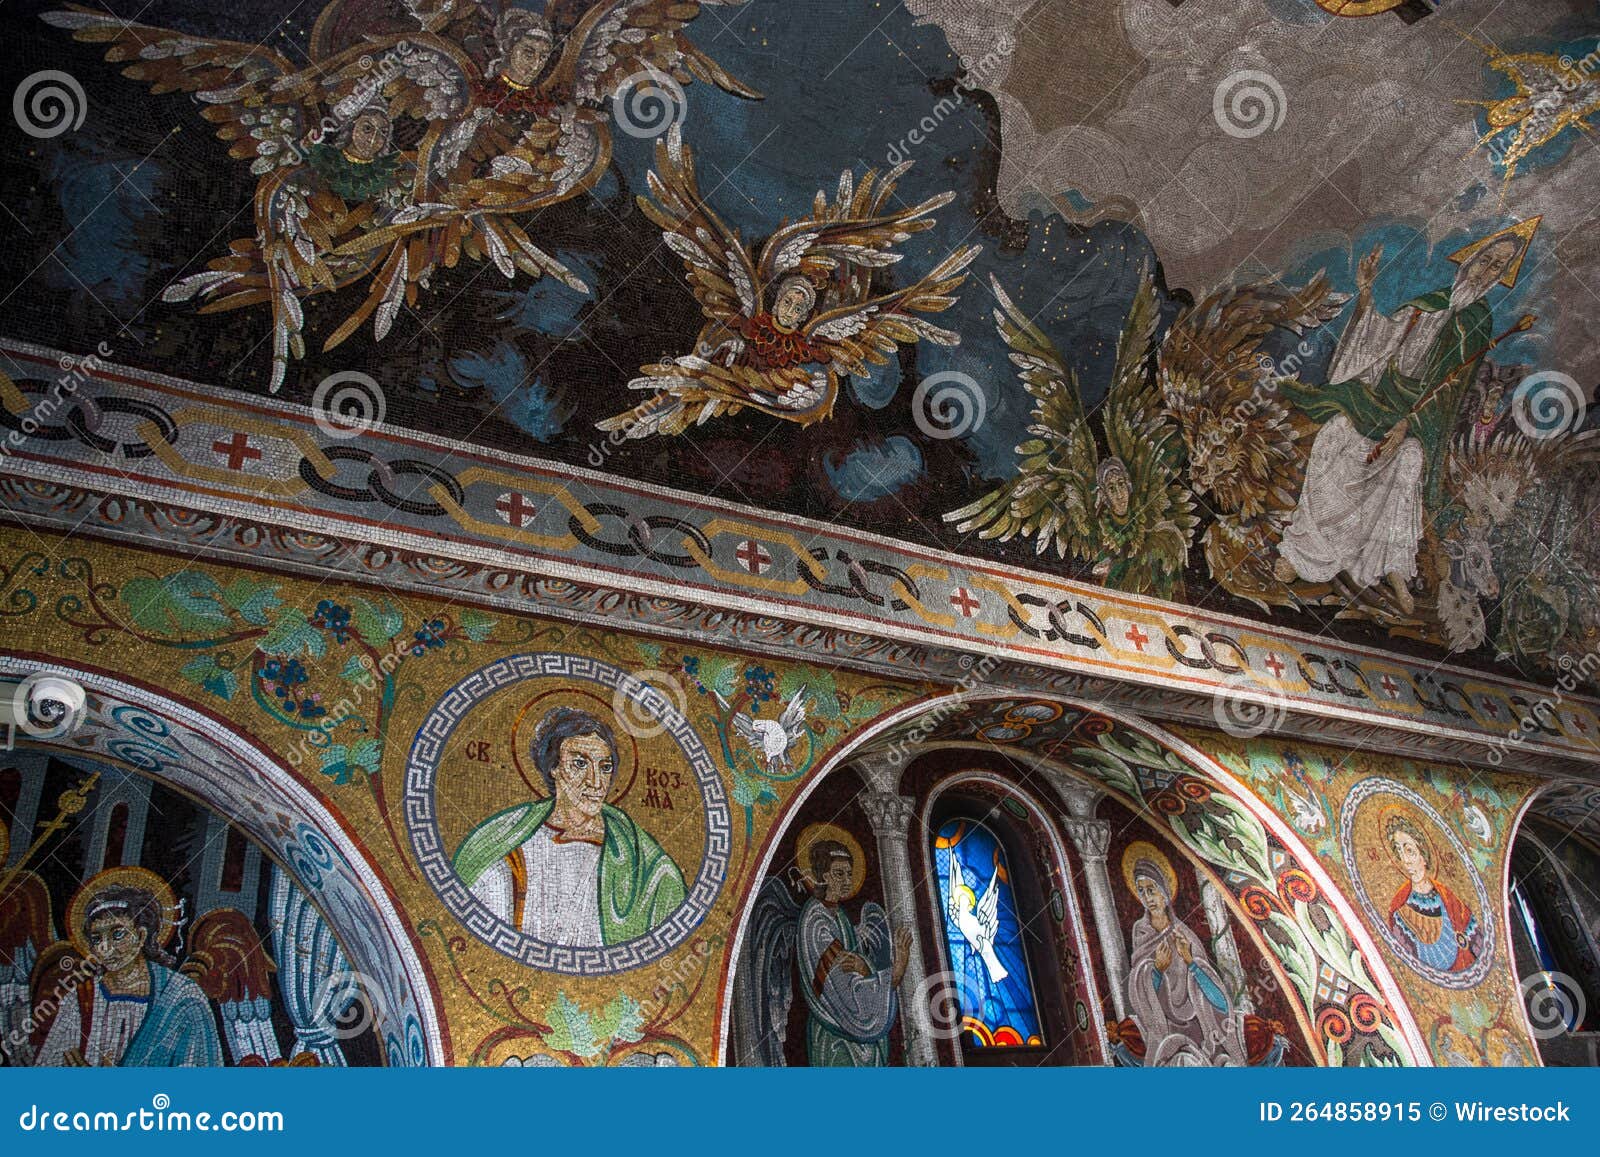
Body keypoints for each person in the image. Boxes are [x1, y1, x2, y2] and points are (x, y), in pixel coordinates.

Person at [1274, 228, 1530, 612]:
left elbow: (1451, 393)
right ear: (1472, 258)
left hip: (1418, 419)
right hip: (1378, 397)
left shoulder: (1479, 321)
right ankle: (1302, 552)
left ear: (1501, 275)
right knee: (1335, 432)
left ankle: (1386, 567)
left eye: (1498, 266)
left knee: (1409, 460)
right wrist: (1365, 293)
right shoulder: (1431, 301)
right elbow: (1381, 338)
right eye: (1486, 259)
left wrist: (1409, 424)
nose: (1487, 269)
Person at [454, 707, 686, 946]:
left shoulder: (641, 858)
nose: (596, 782)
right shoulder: (510, 847)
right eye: (579, 763)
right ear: (553, 767)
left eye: (605, 767)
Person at [34, 884, 222, 1067]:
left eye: (117, 934)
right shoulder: (82, 997)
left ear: (141, 936)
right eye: (97, 939)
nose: (105, 948)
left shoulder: (183, 998)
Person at [1122, 850, 1246, 1066]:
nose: (1147, 898)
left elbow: (1219, 1003)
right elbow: (1140, 992)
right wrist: (1158, 971)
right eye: (1141, 891)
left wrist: (1191, 963)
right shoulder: (1141, 932)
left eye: (1151, 890)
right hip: (1167, 1032)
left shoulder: (1184, 934)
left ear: (1164, 892)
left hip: (1202, 1025)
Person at [796, 839, 910, 1066]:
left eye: (849, 873)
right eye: (839, 873)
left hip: (856, 1041)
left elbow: (850, 960)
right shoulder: (816, 920)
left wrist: (860, 941)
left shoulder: (839, 916)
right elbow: (840, 987)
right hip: (836, 1036)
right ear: (823, 876)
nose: (847, 881)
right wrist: (891, 974)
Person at [1384, 812, 1481, 973]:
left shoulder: (1451, 900)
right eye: (1399, 853)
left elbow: (1478, 945)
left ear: (1424, 854)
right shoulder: (1399, 913)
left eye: (1409, 851)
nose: (1405, 861)